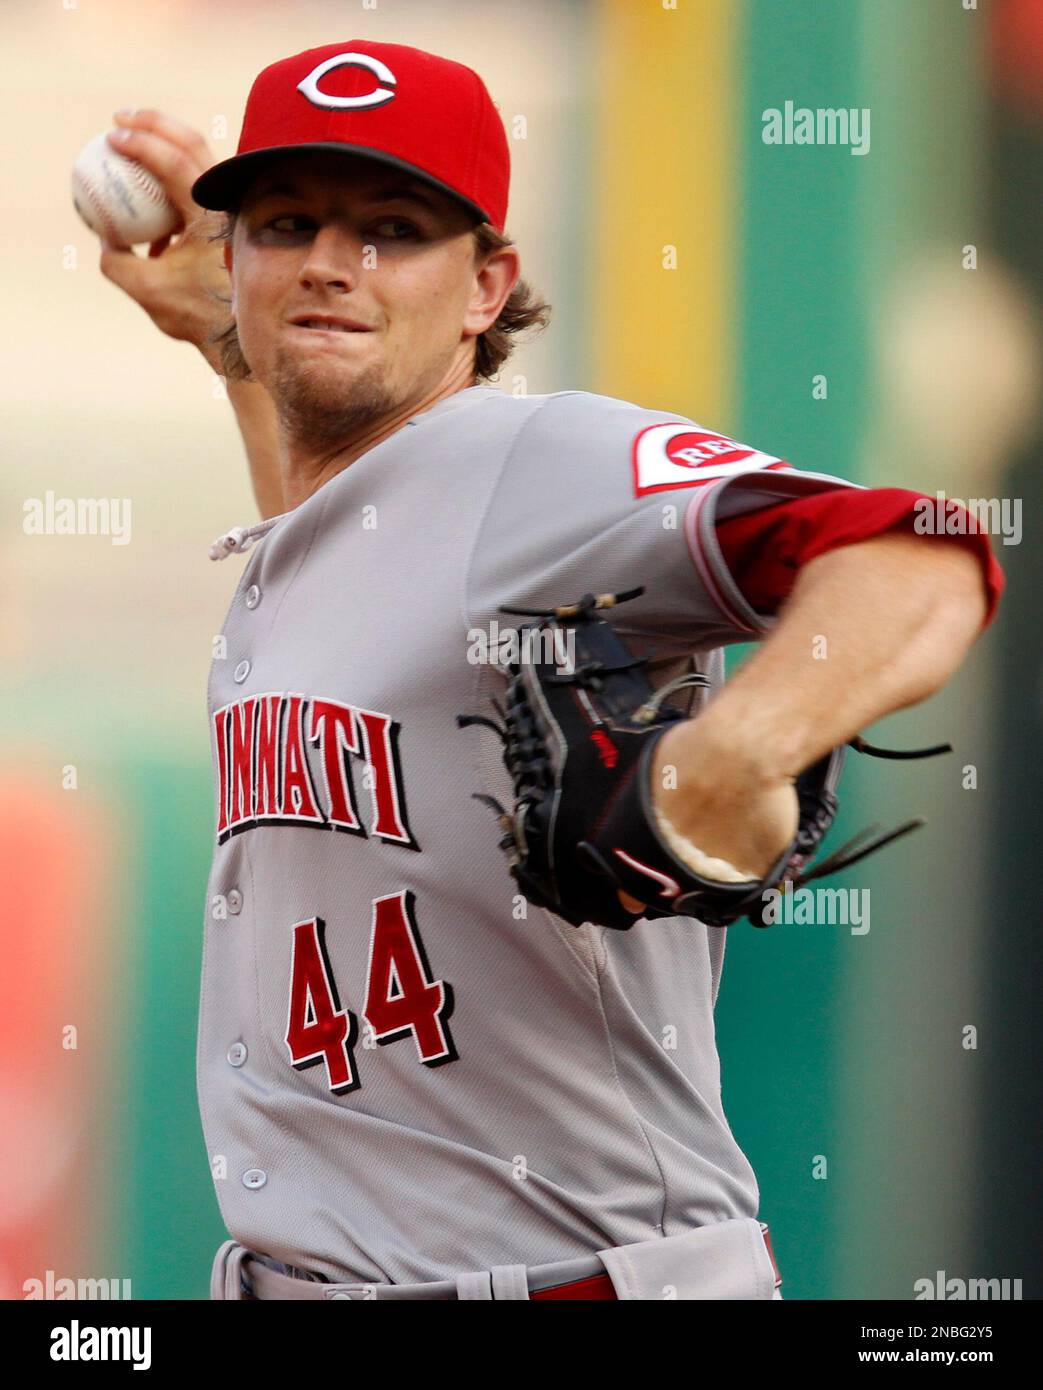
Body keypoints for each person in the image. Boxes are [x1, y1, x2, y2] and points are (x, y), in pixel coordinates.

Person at [98, 40, 1002, 1301]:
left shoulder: (542, 464)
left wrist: (736, 751)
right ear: (235, 259)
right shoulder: (310, 537)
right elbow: (362, 574)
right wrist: (232, 349)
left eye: (393, 229)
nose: (329, 262)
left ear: (487, 285)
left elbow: (925, 552)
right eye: (286, 223)